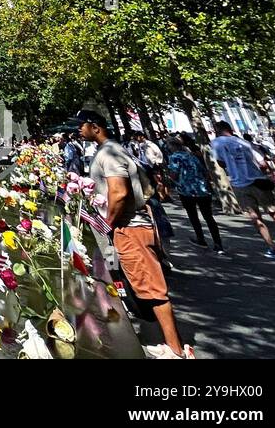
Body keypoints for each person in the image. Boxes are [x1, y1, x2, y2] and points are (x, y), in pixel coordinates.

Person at [69, 110, 193, 359]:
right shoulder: (110, 150)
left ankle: (176, 351)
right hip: (128, 227)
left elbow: (119, 192)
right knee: (143, 285)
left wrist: (107, 223)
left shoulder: (109, 153)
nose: (78, 131)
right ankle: (170, 345)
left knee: (152, 289)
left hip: (130, 227)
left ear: (95, 127)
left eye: (81, 126)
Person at [211, 120, 275, 263]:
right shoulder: (244, 143)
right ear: (230, 129)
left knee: (255, 217)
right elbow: (263, 163)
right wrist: (269, 174)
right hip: (258, 181)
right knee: (274, 212)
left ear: (217, 130)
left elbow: (221, 163)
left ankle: (272, 248)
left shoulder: (216, 143)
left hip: (239, 183)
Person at [166, 136, 224, 253]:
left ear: (172, 146)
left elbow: (174, 174)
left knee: (193, 215)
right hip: (202, 189)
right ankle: (218, 244)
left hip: (186, 190)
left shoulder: (174, 157)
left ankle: (200, 239)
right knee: (209, 217)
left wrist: (170, 178)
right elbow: (204, 172)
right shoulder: (192, 156)